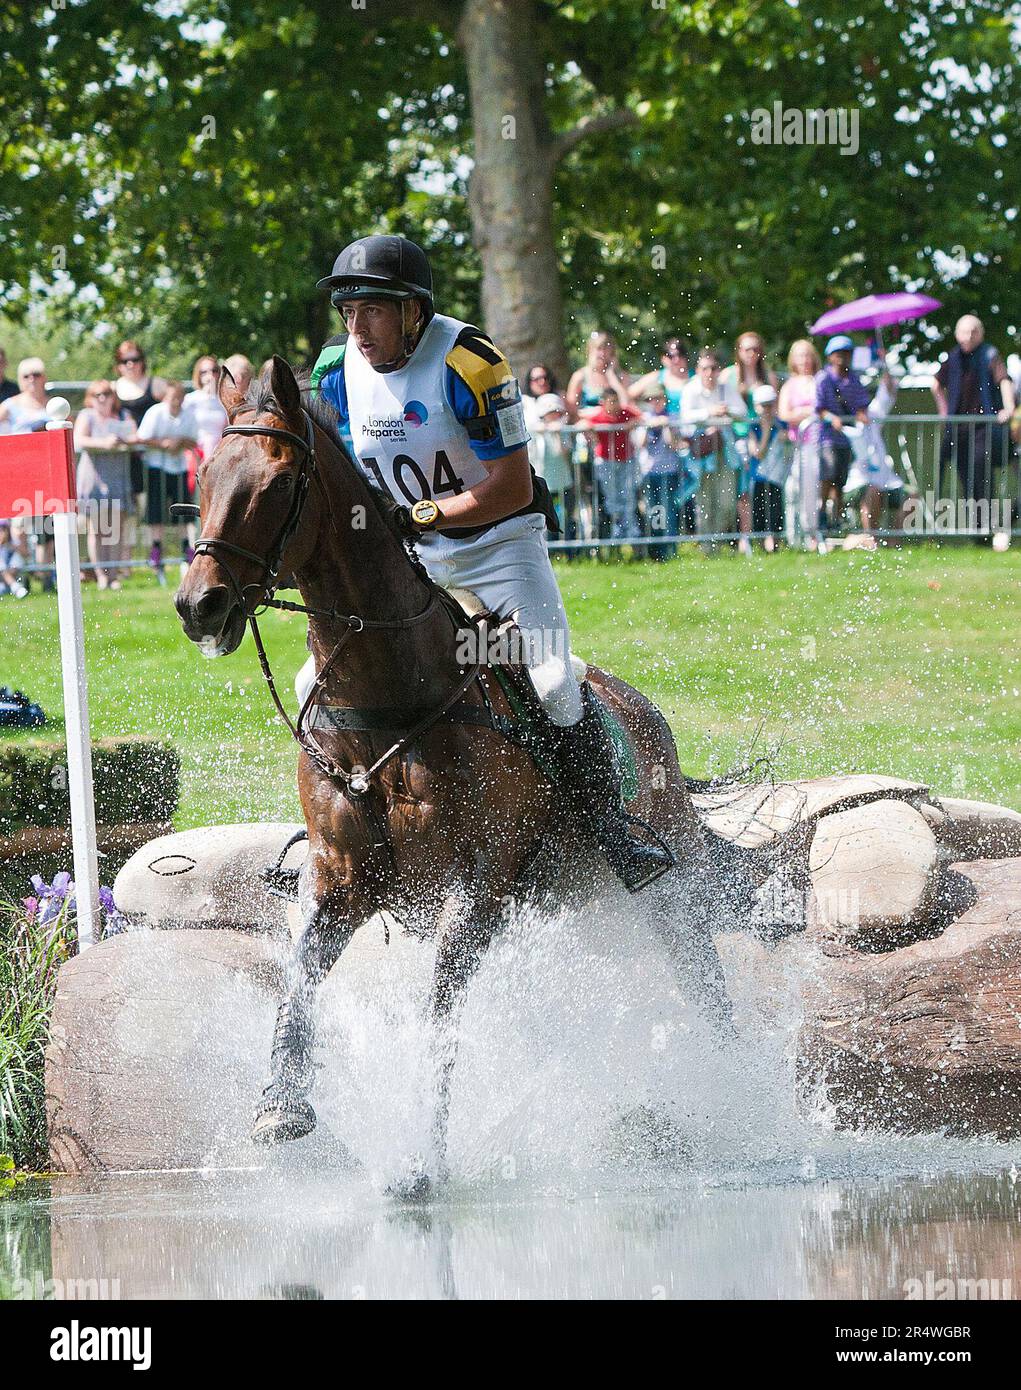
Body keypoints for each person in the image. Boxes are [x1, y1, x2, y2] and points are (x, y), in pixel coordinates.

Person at [310, 234, 671, 891]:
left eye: (374, 311)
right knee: (317, 682)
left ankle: (608, 827)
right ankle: (337, 838)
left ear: (414, 310)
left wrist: (417, 515)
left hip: (497, 547)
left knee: (553, 679)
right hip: (408, 560)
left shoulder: (469, 362)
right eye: (348, 311)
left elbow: (507, 485)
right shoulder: (334, 371)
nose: (358, 329)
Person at [931, 314, 1015, 540]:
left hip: (983, 427)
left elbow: (1004, 380)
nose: (968, 336)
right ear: (957, 335)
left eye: (973, 331)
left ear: (981, 333)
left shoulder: (989, 354)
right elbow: (936, 384)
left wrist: (1008, 408)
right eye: (964, 332)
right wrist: (943, 412)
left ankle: (990, 527)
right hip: (958, 429)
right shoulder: (953, 357)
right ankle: (979, 532)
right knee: (965, 476)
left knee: (980, 471)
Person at [74, 379, 137, 589]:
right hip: (93, 477)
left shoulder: (122, 416)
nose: (102, 398)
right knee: (97, 529)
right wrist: (104, 443)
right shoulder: (86, 416)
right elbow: (79, 440)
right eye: (97, 394)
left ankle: (113, 575)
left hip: (117, 477)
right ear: (90, 398)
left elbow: (135, 436)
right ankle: (101, 575)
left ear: (113, 397)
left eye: (106, 394)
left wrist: (123, 441)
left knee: (116, 529)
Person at [0, 357, 56, 585]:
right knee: (19, 526)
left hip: (48, 473)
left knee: (47, 527)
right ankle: (21, 573)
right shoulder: (10, 405)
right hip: (19, 472)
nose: (32, 379)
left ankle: (44, 575)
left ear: (44, 377)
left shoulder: (53, 405)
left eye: (37, 374)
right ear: (21, 380)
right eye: (26, 376)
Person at [679, 349, 746, 540]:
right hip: (700, 454)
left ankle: (718, 540)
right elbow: (685, 416)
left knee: (726, 502)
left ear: (718, 370)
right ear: (698, 370)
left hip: (725, 452)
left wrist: (726, 411)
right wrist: (709, 412)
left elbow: (741, 411)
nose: (709, 373)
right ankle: (706, 546)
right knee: (704, 501)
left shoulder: (726, 388)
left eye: (713, 368)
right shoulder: (690, 389)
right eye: (704, 369)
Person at [721, 332, 778, 555]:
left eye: (755, 348)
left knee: (765, 488)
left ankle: (767, 534)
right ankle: (744, 535)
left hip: (766, 436)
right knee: (743, 489)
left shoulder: (768, 375)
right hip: (740, 437)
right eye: (746, 349)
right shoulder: (728, 376)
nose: (751, 354)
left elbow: (775, 408)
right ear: (738, 351)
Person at [136, 381, 198, 584]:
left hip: (178, 467)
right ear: (165, 397)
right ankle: (156, 547)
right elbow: (142, 438)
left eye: (180, 397)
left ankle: (186, 546)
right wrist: (163, 444)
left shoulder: (187, 415)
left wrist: (180, 442)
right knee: (157, 511)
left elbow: (194, 440)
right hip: (157, 466)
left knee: (184, 509)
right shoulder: (155, 413)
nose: (177, 401)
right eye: (173, 397)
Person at [814, 334, 870, 537]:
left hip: (847, 438)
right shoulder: (824, 379)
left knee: (840, 480)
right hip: (827, 438)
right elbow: (818, 408)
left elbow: (861, 405)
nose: (843, 358)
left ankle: (835, 518)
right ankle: (821, 514)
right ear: (830, 356)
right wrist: (832, 418)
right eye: (839, 354)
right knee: (827, 476)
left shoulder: (854, 380)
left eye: (847, 354)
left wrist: (861, 415)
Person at [778, 339, 822, 550]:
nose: (804, 360)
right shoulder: (790, 385)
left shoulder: (820, 381)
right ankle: (795, 535)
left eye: (807, 354)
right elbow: (784, 413)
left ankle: (813, 533)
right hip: (799, 446)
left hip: (820, 443)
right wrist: (805, 412)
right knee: (795, 490)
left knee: (813, 491)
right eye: (799, 355)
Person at [585, 386, 643, 544]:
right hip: (606, 461)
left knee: (628, 494)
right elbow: (583, 424)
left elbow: (641, 417)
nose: (615, 404)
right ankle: (616, 526)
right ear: (604, 403)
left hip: (626, 459)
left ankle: (631, 529)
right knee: (612, 496)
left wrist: (632, 423)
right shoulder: (598, 416)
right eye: (611, 401)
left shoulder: (625, 412)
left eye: (617, 400)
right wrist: (590, 431)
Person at [635, 383, 684, 559]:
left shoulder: (672, 417)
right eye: (651, 399)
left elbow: (673, 444)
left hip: (668, 471)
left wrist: (665, 426)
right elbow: (640, 444)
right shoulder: (644, 419)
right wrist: (650, 425)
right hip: (649, 472)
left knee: (669, 510)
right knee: (653, 510)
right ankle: (656, 550)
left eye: (658, 398)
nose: (655, 402)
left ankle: (670, 549)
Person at [526, 391, 574, 537]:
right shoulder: (535, 430)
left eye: (556, 411)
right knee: (547, 518)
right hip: (544, 483)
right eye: (550, 412)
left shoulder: (562, 431)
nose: (554, 415)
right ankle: (552, 547)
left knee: (566, 517)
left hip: (563, 482)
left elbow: (563, 452)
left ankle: (570, 550)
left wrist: (557, 433)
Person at [747, 384, 788, 552]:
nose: (767, 409)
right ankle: (762, 546)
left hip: (777, 477)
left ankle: (777, 545)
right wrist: (765, 431)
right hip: (759, 477)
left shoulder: (782, 425)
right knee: (759, 513)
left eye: (770, 405)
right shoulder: (753, 427)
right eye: (763, 405)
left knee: (776, 511)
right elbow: (758, 453)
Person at [184, 354, 229, 462]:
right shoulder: (190, 399)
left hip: (219, 453)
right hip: (196, 453)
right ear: (198, 375)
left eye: (214, 370)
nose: (210, 375)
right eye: (204, 372)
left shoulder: (224, 400)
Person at [629, 336, 689, 414]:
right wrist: (640, 416)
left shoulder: (697, 377)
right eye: (671, 356)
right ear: (663, 358)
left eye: (680, 354)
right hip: (662, 424)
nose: (676, 359)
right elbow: (626, 397)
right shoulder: (656, 376)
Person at [0, 522, 29, 599]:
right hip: (3, 573)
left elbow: (26, 554)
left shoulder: (14, 541)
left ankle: (12, 586)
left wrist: (13, 547)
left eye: (3, 530)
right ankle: (16, 587)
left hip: (10, 572)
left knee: (17, 557)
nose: (1, 533)